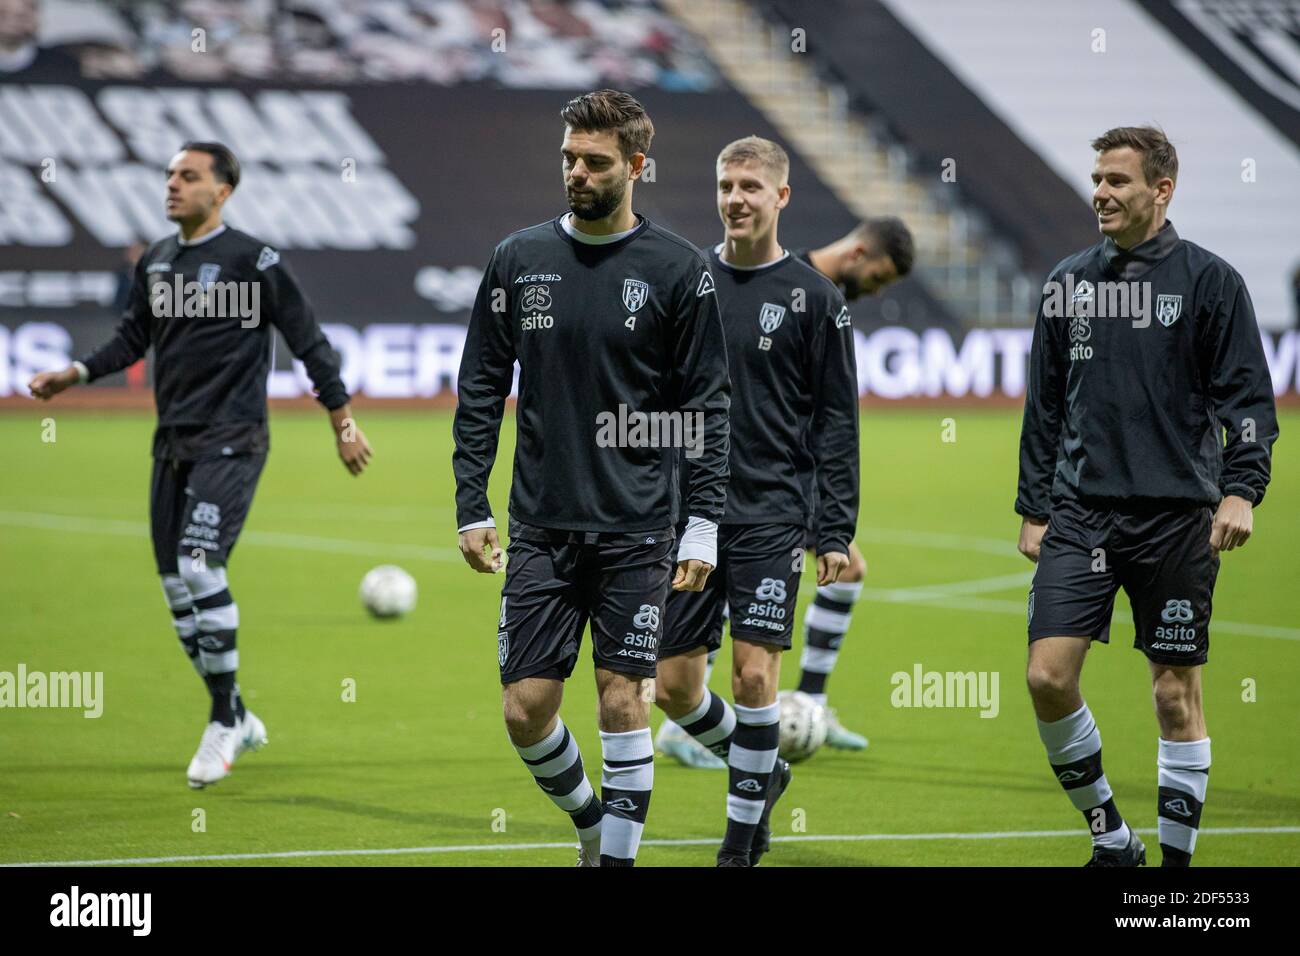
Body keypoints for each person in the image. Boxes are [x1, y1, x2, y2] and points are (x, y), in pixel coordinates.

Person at [28, 141, 372, 789]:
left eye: (189, 176)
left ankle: (220, 719)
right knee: (173, 588)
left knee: (197, 564)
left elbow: (309, 344)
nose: (173, 185)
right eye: (170, 175)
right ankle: (237, 710)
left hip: (233, 437)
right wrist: (74, 373)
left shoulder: (255, 261)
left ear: (223, 190)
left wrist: (342, 423)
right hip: (173, 441)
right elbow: (134, 339)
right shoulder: (157, 261)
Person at [451, 89, 730, 867]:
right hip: (540, 525)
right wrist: (470, 501)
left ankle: (617, 860)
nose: (576, 171)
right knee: (525, 709)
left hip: (639, 526)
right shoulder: (518, 258)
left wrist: (702, 520)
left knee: (621, 698)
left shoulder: (678, 270)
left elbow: (707, 405)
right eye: (569, 157)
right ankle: (588, 821)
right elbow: (480, 388)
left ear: (636, 167)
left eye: (595, 161)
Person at [1016, 126, 1277, 866]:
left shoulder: (1210, 282)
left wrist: (1241, 490)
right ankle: (1112, 836)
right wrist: (1034, 506)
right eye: (1097, 177)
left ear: (1162, 190)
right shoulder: (1068, 281)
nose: (1100, 191)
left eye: (1118, 181)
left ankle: (1174, 876)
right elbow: (1045, 406)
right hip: (1080, 515)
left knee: (1172, 697)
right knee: (1046, 676)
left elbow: (1248, 402)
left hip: (1176, 520)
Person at [653, 136, 859, 866]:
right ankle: (763, 766)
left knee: (753, 674)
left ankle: (740, 845)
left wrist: (833, 528)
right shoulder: (686, 283)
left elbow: (837, 422)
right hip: (689, 515)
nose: (735, 198)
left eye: (750, 186)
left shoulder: (816, 299)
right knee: (674, 689)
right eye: (725, 184)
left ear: (781, 198)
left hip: (773, 511)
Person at [656, 215, 913, 768]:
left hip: (792, 475)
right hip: (748, 471)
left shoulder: (825, 302)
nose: (879, 288)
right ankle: (697, 724)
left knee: (844, 571)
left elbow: (833, 413)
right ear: (860, 251)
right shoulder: (775, 284)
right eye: (880, 275)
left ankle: (807, 703)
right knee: (727, 585)